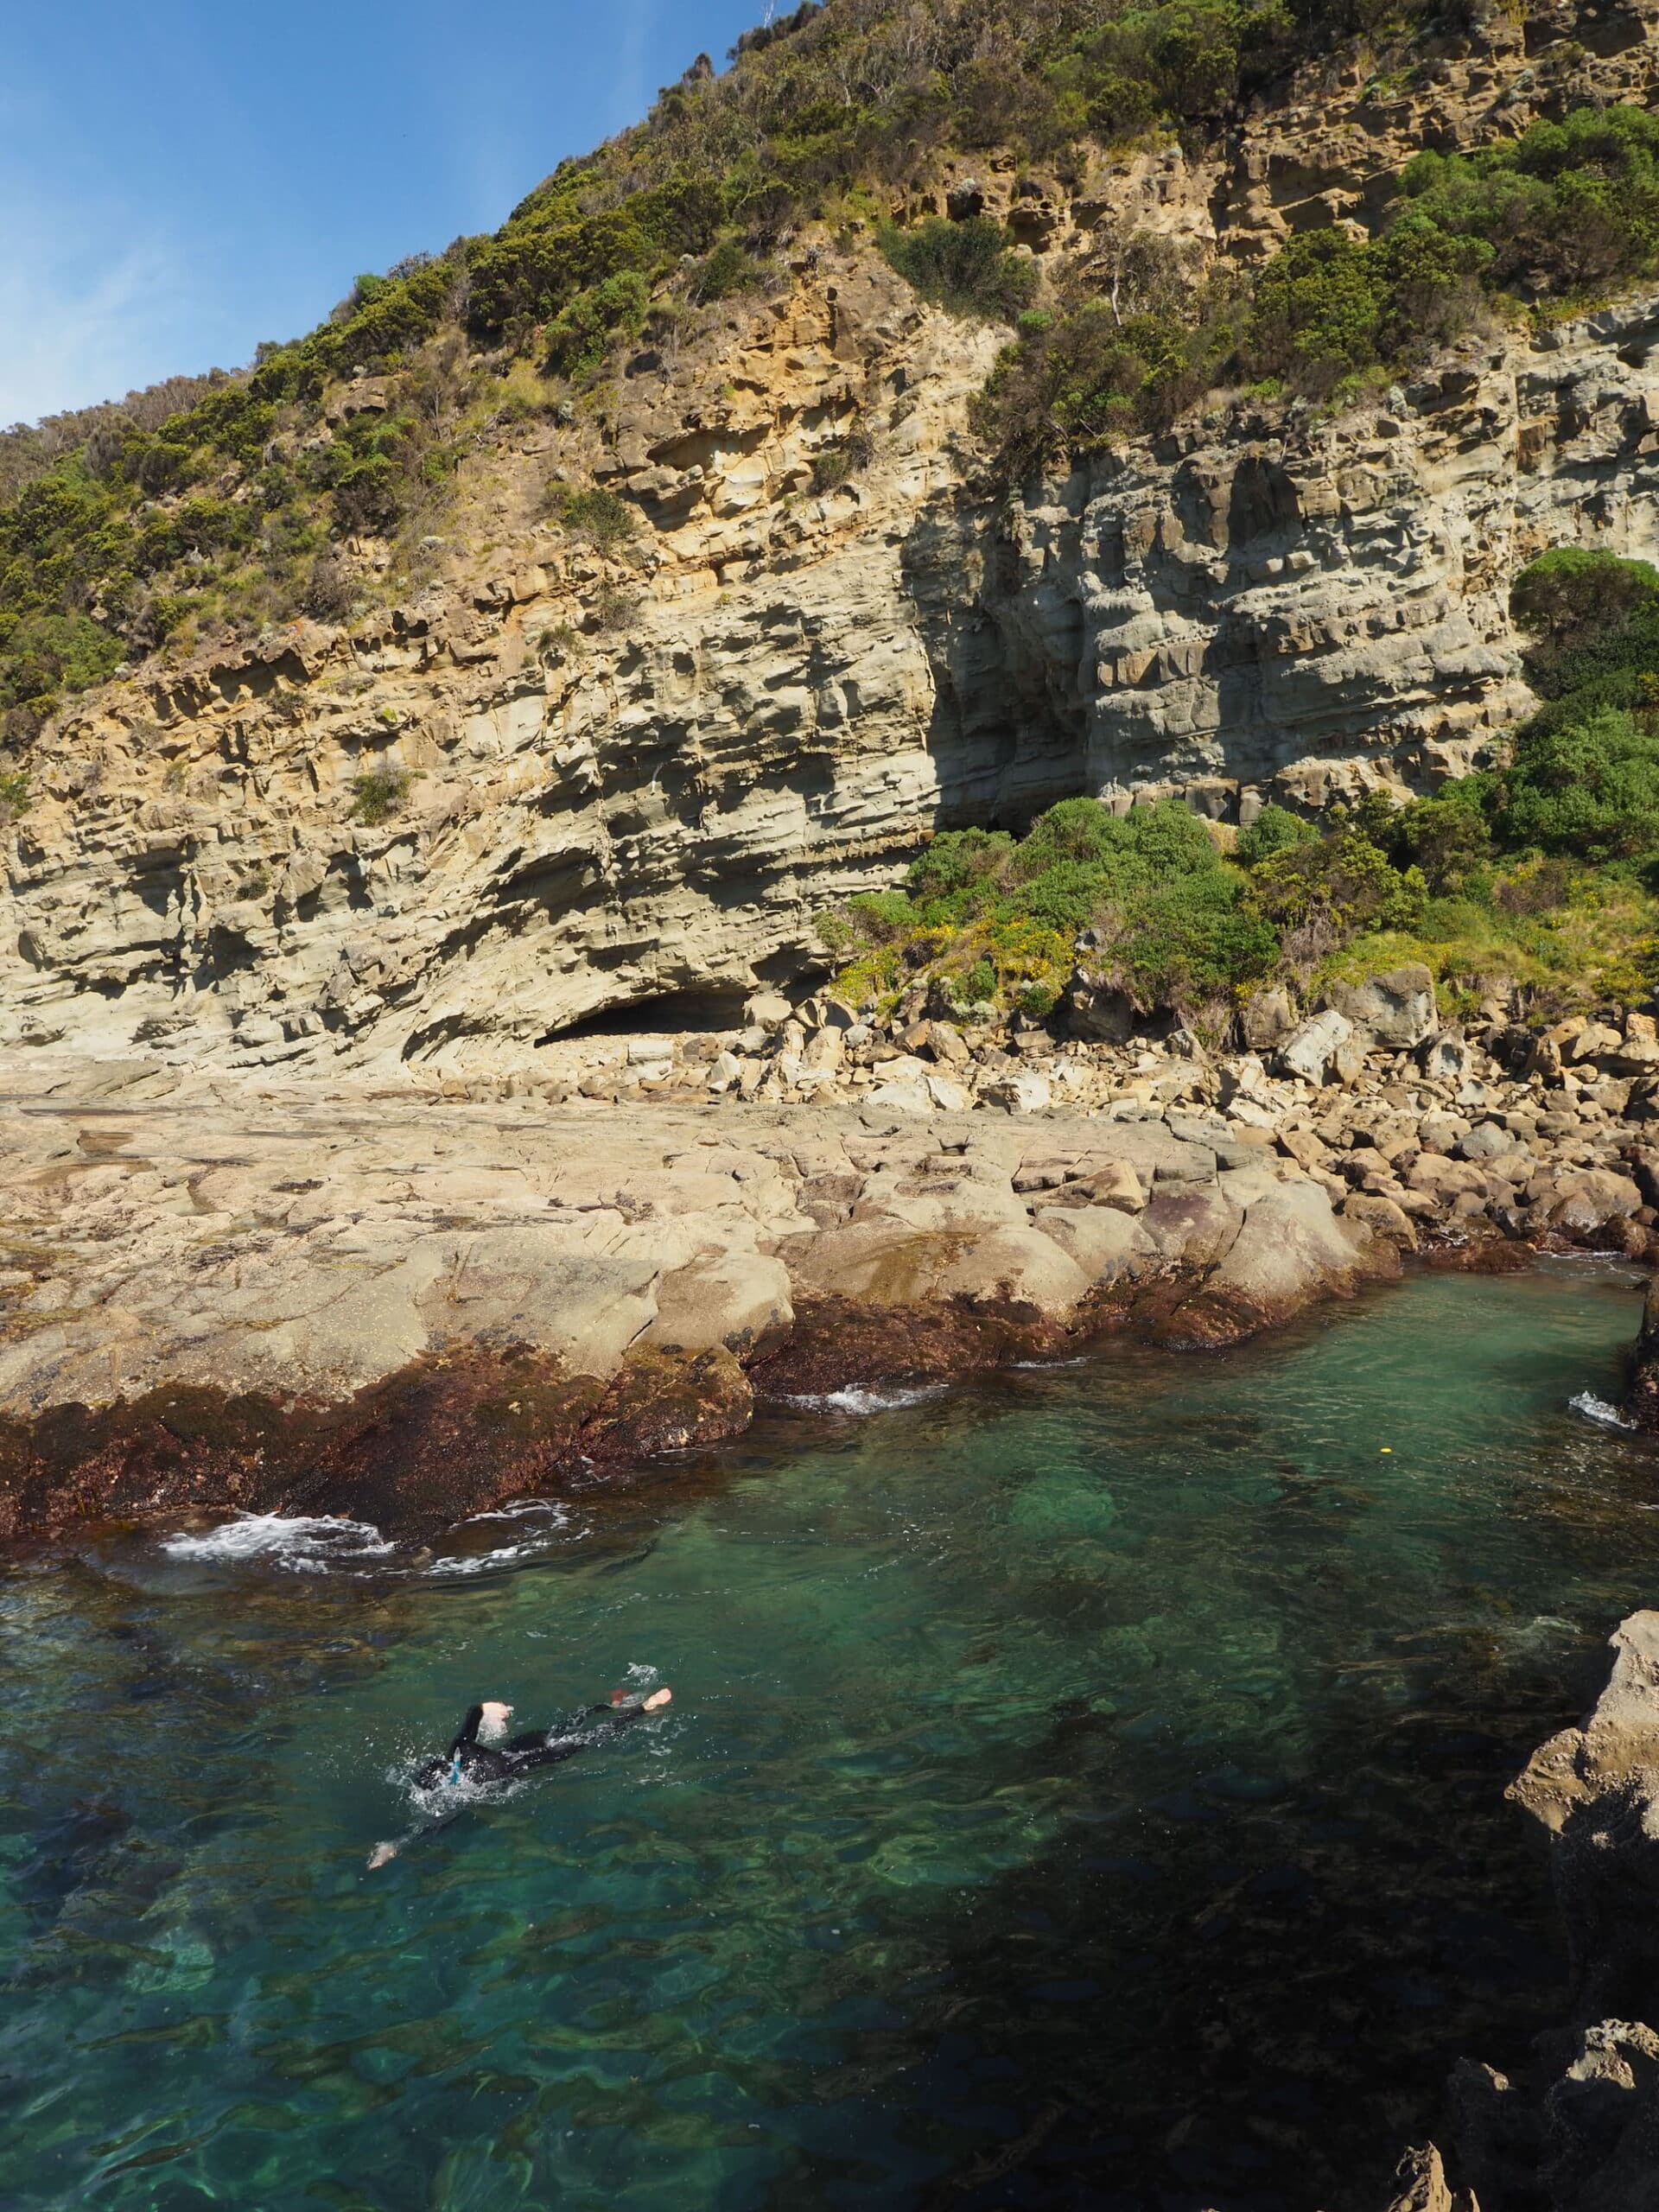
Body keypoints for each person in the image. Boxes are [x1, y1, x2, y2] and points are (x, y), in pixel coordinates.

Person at [367, 1685, 672, 1868]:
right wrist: (485, 1707)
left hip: (536, 1760)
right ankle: (614, 1704)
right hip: (524, 1745)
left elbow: (438, 1825)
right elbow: (472, 1714)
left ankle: (643, 1709)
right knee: (566, 1725)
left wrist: (395, 1845)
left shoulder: (465, 1792)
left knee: (592, 1737)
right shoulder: (458, 1751)